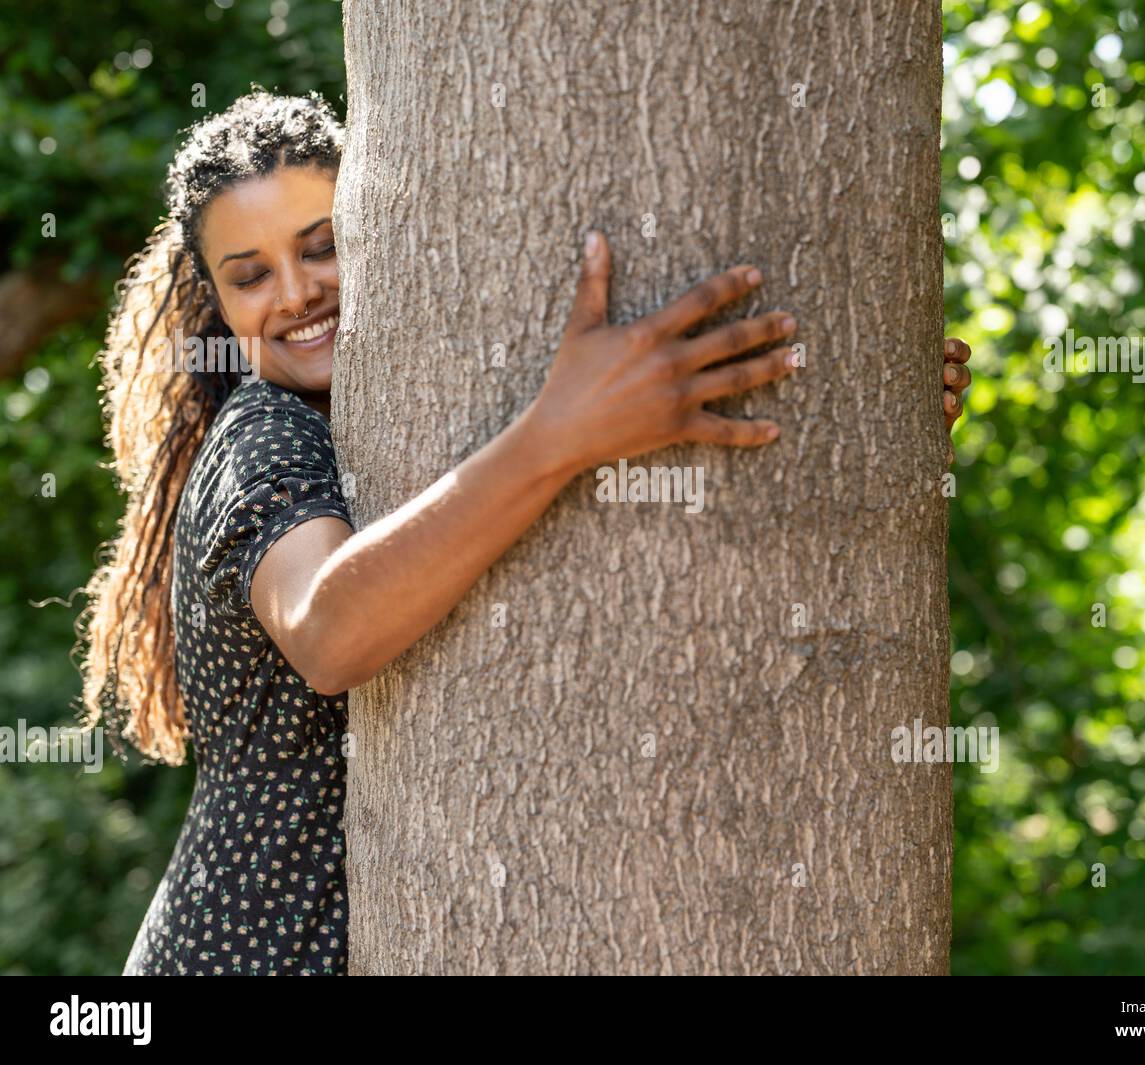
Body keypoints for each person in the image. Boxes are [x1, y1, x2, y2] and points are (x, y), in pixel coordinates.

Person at [76, 90, 973, 975]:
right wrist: (560, 434)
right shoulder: (266, 431)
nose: (300, 291)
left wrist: (854, 418)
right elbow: (328, 631)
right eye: (251, 275)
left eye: (325, 248)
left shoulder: (366, 422)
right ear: (220, 306)